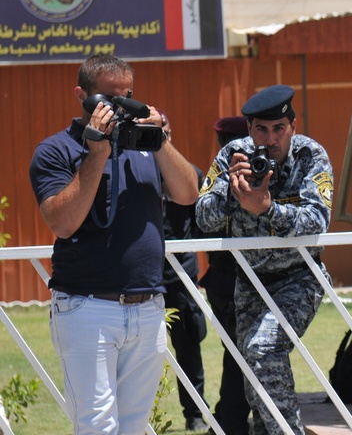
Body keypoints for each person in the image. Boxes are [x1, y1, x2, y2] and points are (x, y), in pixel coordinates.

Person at [27, 54, 200, 434]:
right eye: (109, 98)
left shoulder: (145, 144)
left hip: (148, 305)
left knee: (134, 426)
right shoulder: (57, 150)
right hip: (87, 307)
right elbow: (61, 223)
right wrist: (96, 154)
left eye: (128, 97)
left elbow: (188, 193)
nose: (121, 108)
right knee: (97, 426)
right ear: (82, 96)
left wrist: (160, 141)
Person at [196, 86, 334, 435]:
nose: (270, 140)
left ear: (293, 126)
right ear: (249, 129)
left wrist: (266, 209)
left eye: (279, 129)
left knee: (263, 350)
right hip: (250, 282)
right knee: (253, 379)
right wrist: (232, 192)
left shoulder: (310, 156)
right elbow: (203, 217)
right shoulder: (233, 156)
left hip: (299, 277)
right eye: (261, 129)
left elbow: (318, 220)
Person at [199, 115, 254, 435]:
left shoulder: (216, 179)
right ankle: (230, 422)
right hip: (232, 279)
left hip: (223, 278)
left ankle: (227, 419)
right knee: (239, 356)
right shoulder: (224, 181)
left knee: (238, 354)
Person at [159, 113, 210, 432]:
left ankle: (195, 413)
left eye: (162, 132)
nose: (159, 138)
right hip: (141, 274)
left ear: (170, 133)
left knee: (189, 341)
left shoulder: (189, 173)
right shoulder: (135, 175)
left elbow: (203, 226)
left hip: (180, 273)